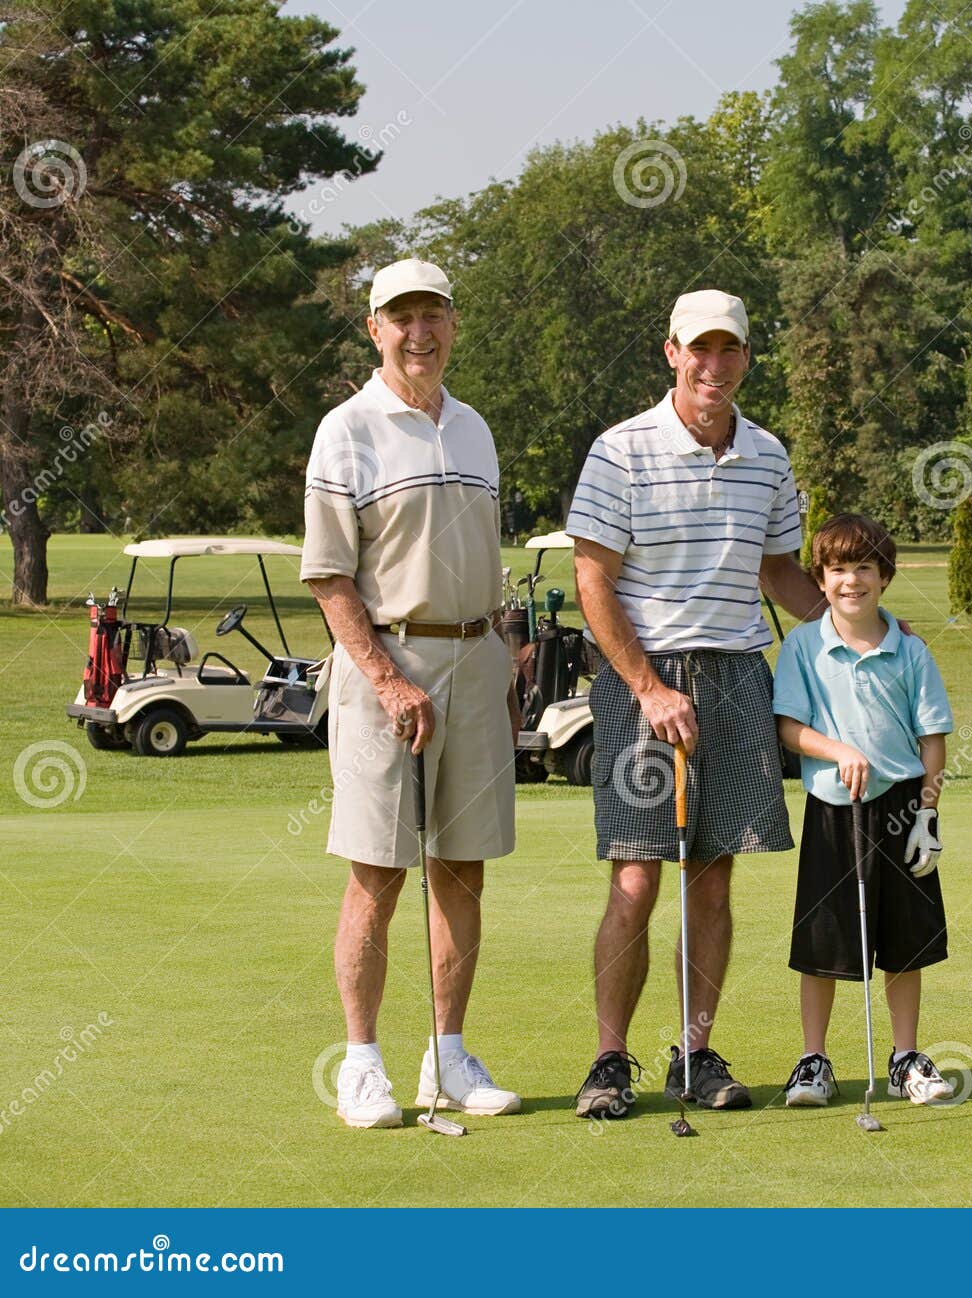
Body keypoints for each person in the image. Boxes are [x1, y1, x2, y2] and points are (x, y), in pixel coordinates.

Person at [566, 289, 825, 1119]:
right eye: (699, 349)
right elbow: (591, 577)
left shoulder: (768, 454)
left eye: (730, 350)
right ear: (672, 352)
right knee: (637, 880)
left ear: (746, 358)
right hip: (644, 679)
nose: (714, 365)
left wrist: (857, 630)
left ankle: (696, 1051)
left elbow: (779, 570)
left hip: (739, 676)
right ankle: (610, 1060)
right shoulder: (622, 450)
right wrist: (647, 687)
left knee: (713, 885)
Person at [301, 257, 521, 1129]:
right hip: (385, 666)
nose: (419, 332)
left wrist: (501, 664)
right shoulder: (346, 428)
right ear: (374, 329)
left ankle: (448, 1055)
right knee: (379, 876)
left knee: (462, 874)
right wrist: (387, 678)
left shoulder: (473, 428)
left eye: (433, 315)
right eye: (401, 318)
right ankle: (362, 1065)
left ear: (452, 325)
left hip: (475, 665)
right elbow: (329, 576)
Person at [771, 514, 956, 1107]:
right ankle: (814, 1060)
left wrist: (928, 812)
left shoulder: (910, 649)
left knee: (905, 938)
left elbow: (932, 739)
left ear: (885, 576)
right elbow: (790, 728)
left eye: (864, 568)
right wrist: (838, 750)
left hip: (901, 805)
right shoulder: (802, 645)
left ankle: (905, 1057)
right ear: (820, 580)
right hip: (832, 806)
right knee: (823, 941)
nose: (852, 580)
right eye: (838, 569)